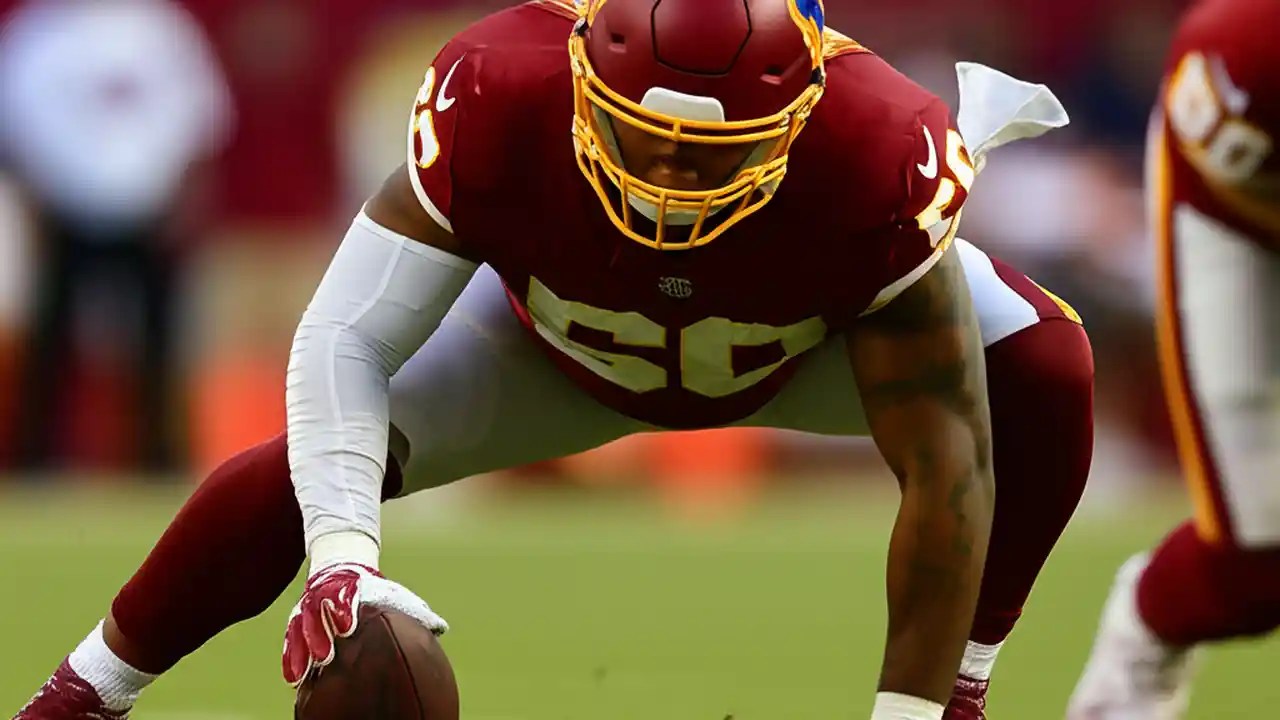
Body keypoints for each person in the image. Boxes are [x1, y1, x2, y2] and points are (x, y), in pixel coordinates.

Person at [15, 2, 1090, 719]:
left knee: (1046, 366)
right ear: (582, 82)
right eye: (639, 137)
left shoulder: (878, 147)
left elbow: (947, 456)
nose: (669, 179)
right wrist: (345, 558)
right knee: (286, 476)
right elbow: (346, 336)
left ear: (803, 110)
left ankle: (961, 688)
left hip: (801, 350)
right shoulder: (500, 88)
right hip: (552, 345)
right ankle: (78, 699)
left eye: (713, 155)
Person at [1068, 0, 1280, 717]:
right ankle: (1142, 635)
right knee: (1255, 562)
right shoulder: (1244, 52)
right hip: (1236, 207)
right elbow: (1234, 159)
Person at [0, 0, 231, 471]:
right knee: (52, 347)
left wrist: (186, 200)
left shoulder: (160, 26)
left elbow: (203, 119)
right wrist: (33, 203)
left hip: (150, 208)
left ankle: (161, 463)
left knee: (158, 348)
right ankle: (35, 464)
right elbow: (15, 125)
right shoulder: (40, 30)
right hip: (64, 208)